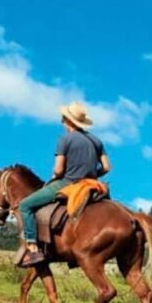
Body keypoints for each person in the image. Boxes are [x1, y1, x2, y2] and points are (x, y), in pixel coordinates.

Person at [18, 101, 112, 267]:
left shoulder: (65, 139)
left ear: (68, 121)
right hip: (92, 184)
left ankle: (32, 248)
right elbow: (106, 167)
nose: (62, 121)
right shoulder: (96, 141)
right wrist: (91, 175)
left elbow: (59, 170)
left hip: (68, 183)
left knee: (25, 205)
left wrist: (57, 175)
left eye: (63, 119)